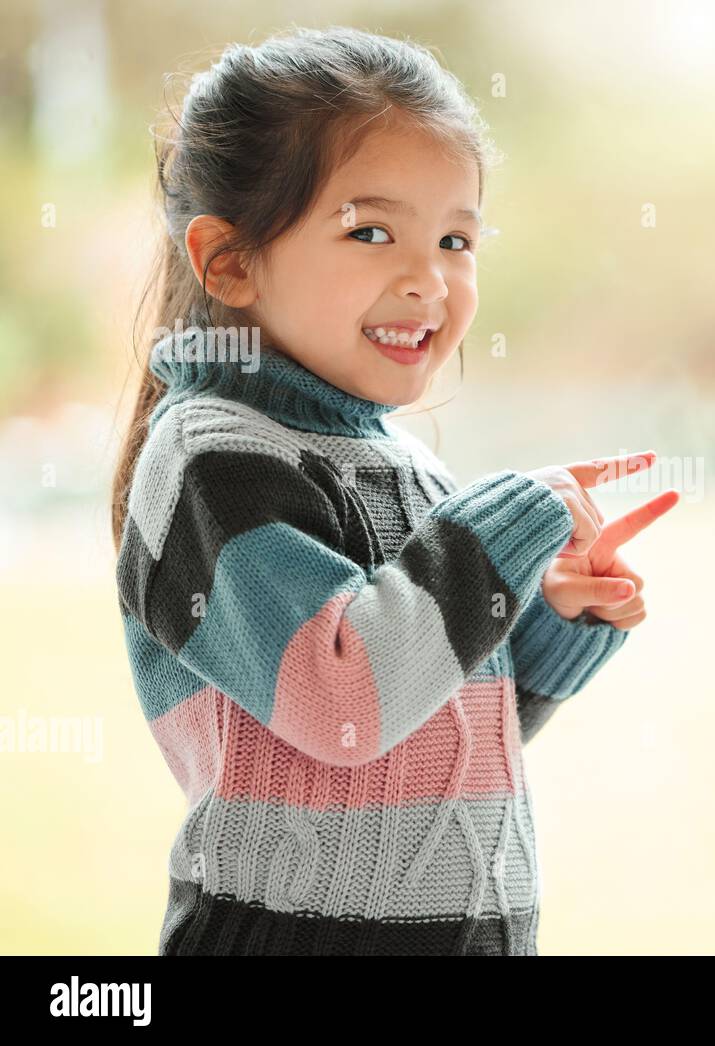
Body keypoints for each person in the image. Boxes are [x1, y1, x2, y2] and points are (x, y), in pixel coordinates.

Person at [109, 25, 678, 956]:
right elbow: (344, 705)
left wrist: (550, 625)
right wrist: (505, 525)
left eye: (458, 238)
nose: (430, 279)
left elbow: (429, 734)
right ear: (231, 261)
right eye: (371, 232)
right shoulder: (213, 461)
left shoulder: (405, 465)